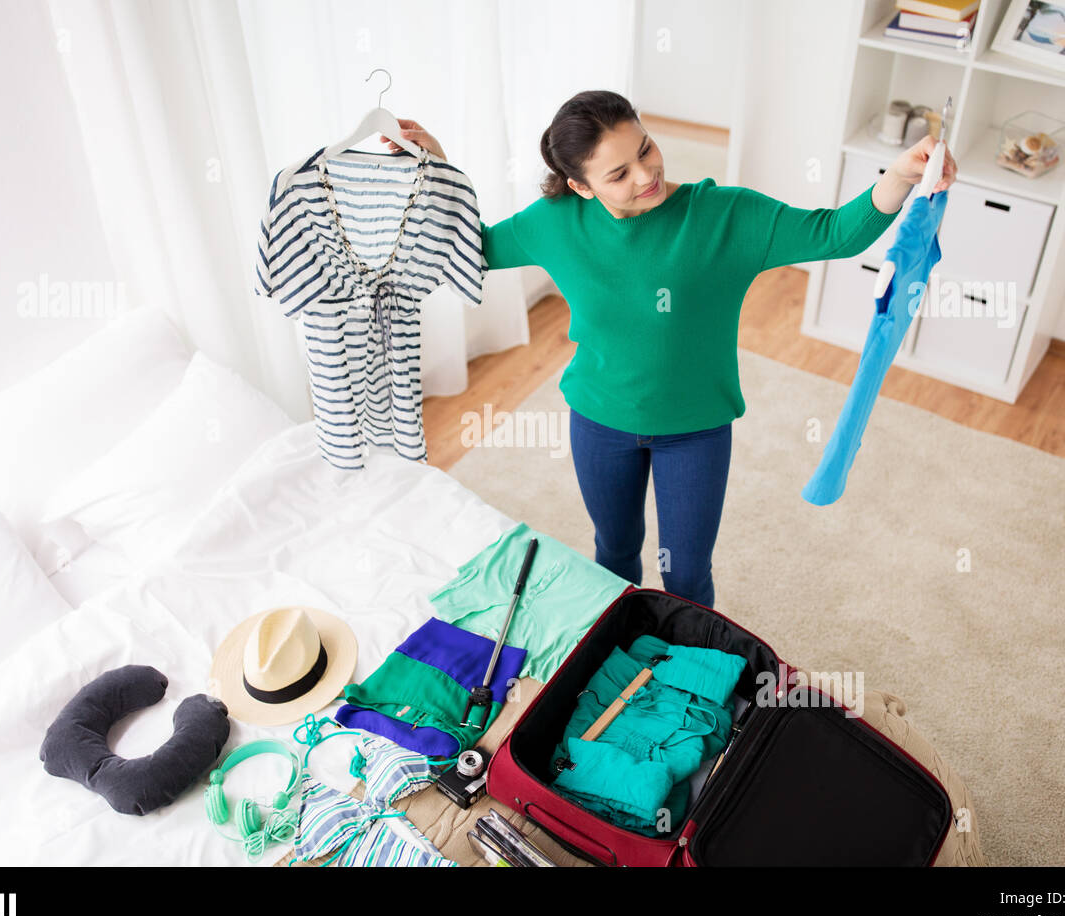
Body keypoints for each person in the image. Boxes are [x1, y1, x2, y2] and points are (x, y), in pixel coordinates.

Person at [381, 90, 957, 609]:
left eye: (646, 149)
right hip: (599, 422)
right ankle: (623, 653)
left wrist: (902, 174)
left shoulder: (723, 216)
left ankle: (690, 663)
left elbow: (836, 233)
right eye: (619, 173)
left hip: (696, 430)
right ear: (580, 186)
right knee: (614, 556)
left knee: (685, 577)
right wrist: (434, 166)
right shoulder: (555, 222)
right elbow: (469, 248)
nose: (646, 175)